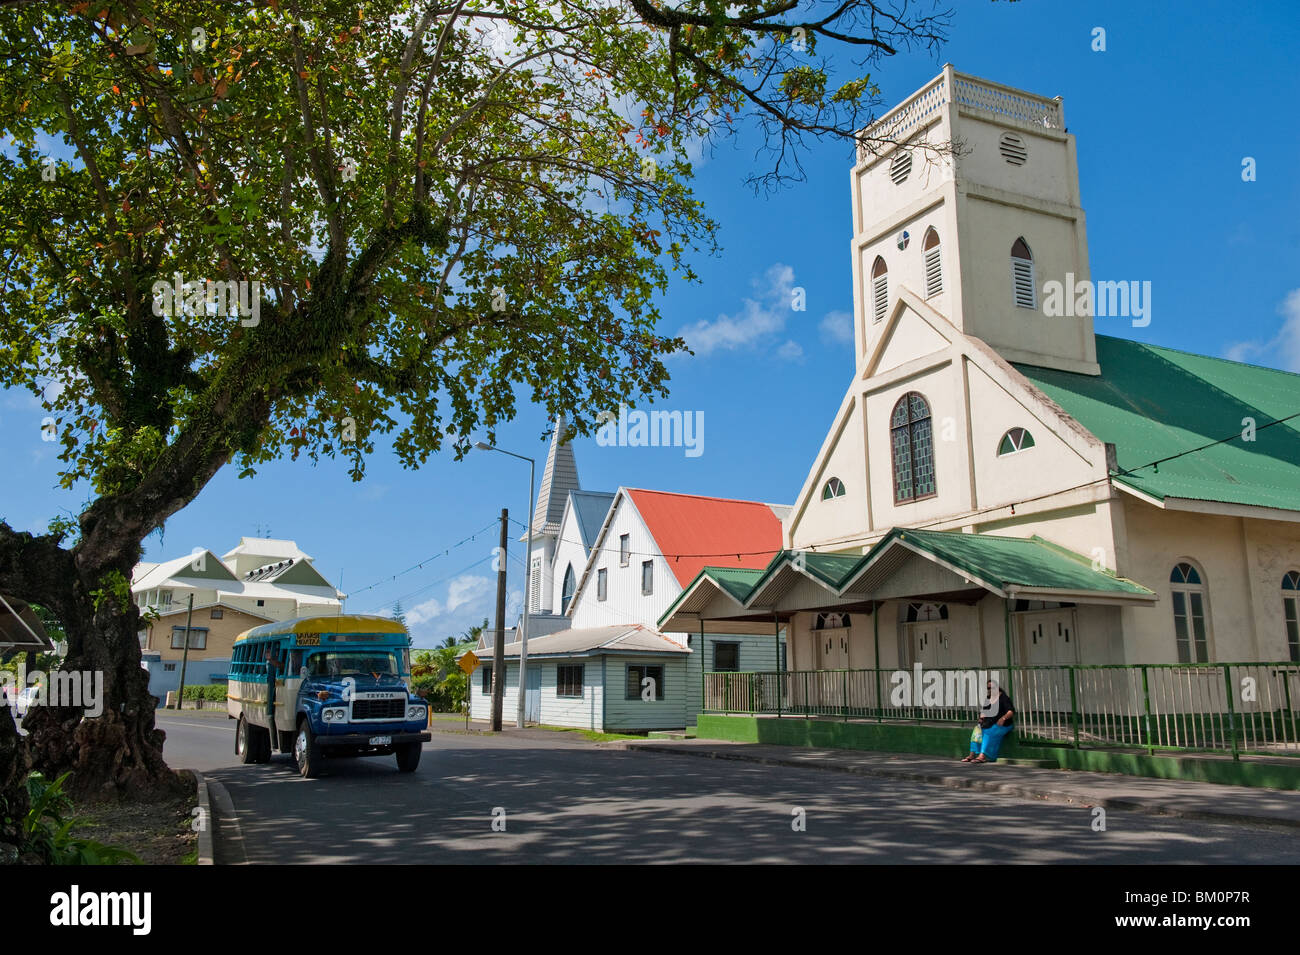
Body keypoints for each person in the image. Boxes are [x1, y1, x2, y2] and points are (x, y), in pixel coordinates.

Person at [961, 681, 1014, 763]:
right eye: (988, 688)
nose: (990, 690)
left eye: (992, 687)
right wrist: (981, 718)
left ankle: (982, 756)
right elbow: (984, 711)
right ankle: (972, 755)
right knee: (976, 731)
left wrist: (1003, 718)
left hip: (1003, 725)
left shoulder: (1004, 698)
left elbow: (1010, 712)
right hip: (989, 723)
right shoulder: (988, 698)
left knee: (988, 732)